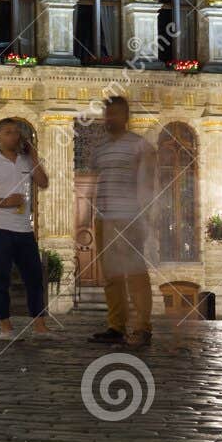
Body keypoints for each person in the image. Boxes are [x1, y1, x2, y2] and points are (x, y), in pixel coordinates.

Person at [0, 117, 51, 342]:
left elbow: (43, 182)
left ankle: (39, 325)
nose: (13, 136)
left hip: (24, 228)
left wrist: (34, 156)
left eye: (16, 132)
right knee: (1, 277)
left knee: (34, 276)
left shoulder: (26, 161)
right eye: (7, 132)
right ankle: (5, 326)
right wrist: (6, 201)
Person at [88, 96, 155, 348]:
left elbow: (148, 181)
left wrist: (145, 213)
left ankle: (142, 327)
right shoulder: (100, 149)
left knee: (135, 273)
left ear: (126, 117)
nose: (110, 118)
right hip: (104, 217)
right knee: (111, 276)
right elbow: (95, 182)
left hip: (130, 216)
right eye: (107, 113)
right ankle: (116, 326)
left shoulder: (139, 145)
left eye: (115, 114)